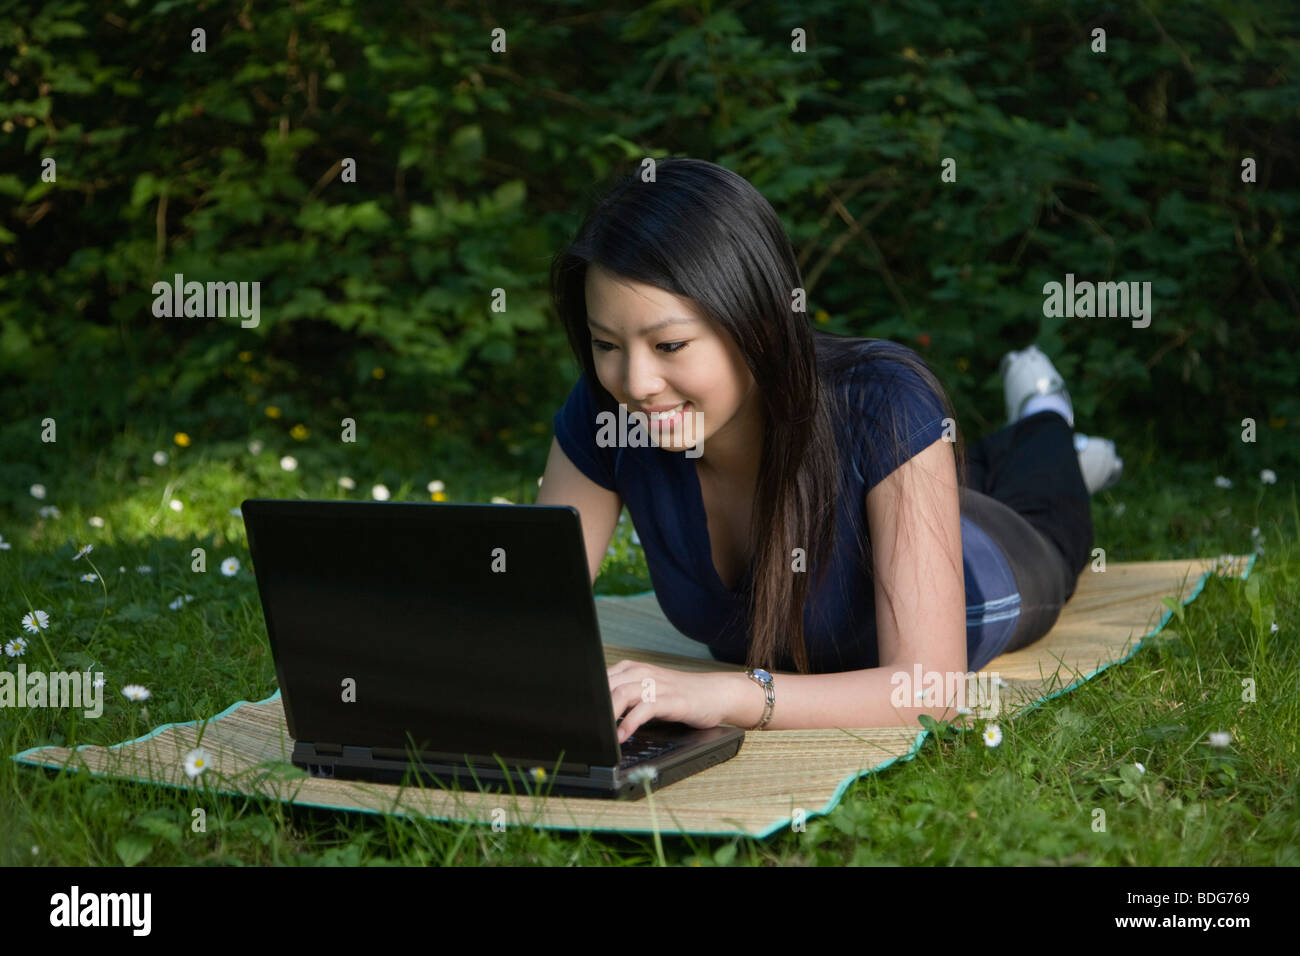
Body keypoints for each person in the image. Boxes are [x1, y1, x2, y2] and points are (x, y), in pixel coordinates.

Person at [538, 158, 1122, 741]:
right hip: (895, 490)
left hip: (991, 560)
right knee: (951, 472)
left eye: (669, 344)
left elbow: (930, 689)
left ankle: (1047, 416)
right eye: (605, 343)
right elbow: (534, 613)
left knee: (1045, 491)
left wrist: (726, 695)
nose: (636, 382)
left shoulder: (885, 400)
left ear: (758, 323)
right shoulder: (609, 412)